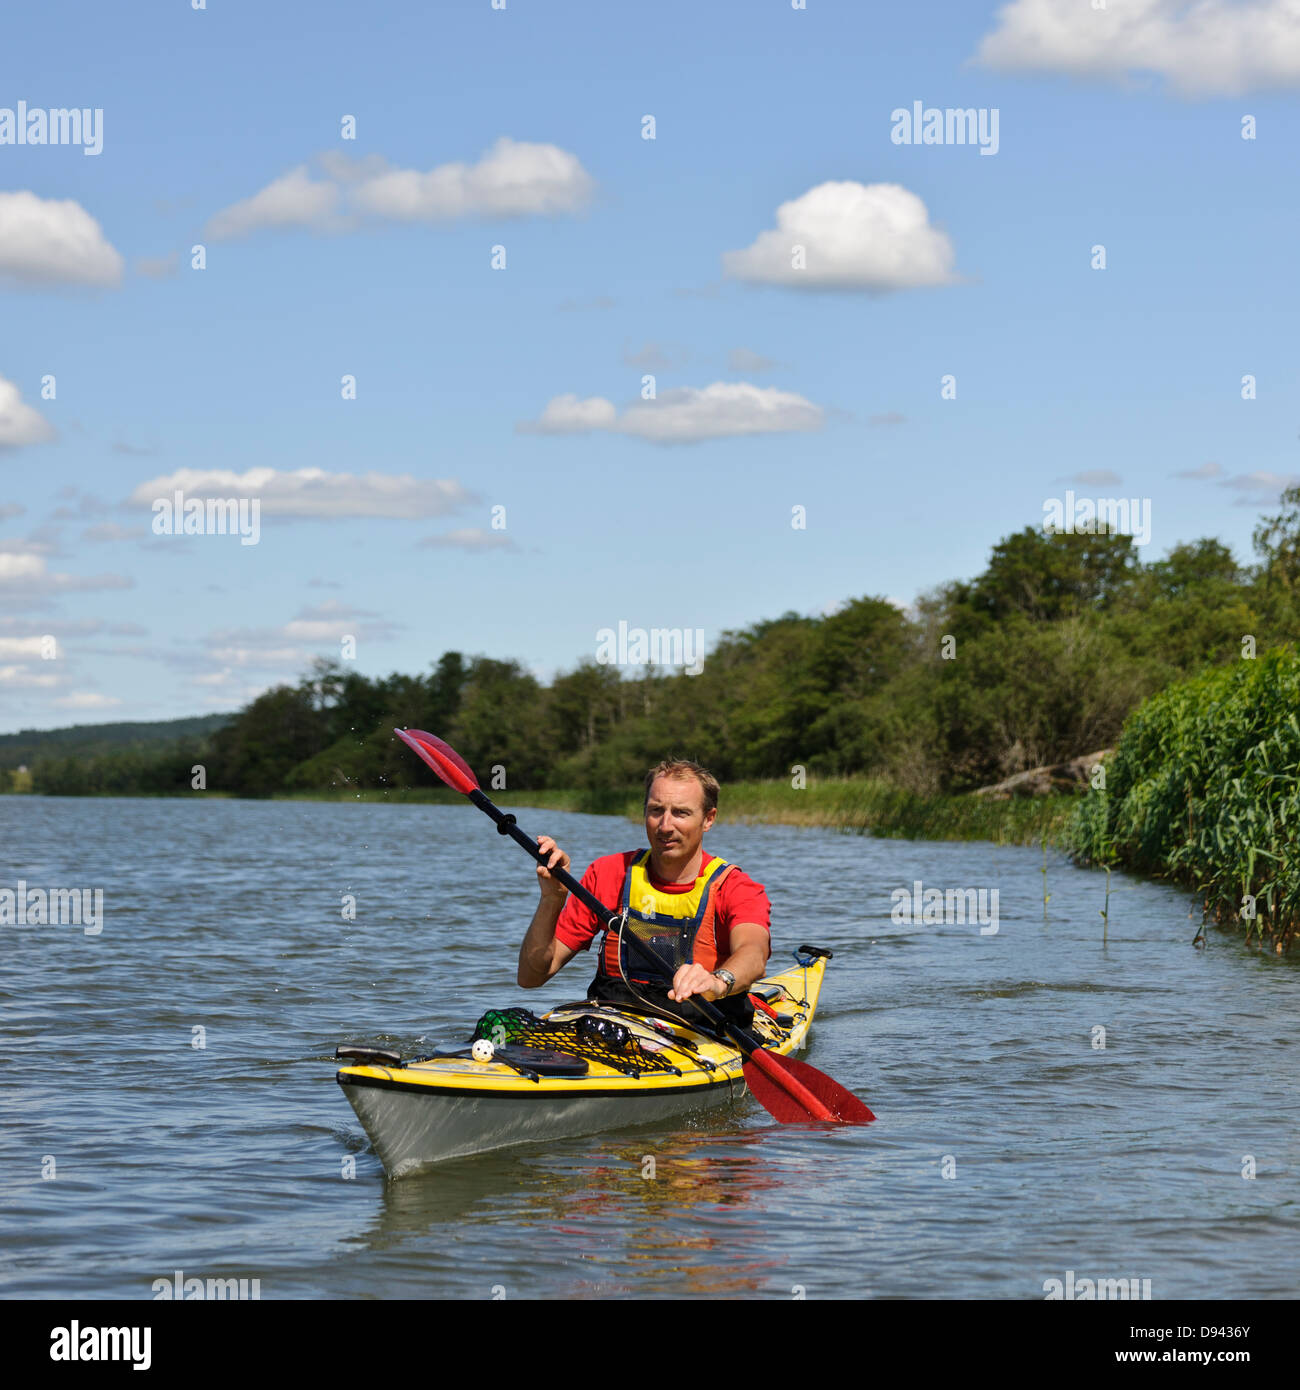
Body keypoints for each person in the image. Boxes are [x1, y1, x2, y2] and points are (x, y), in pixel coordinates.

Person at [516, 758, 771, 1027]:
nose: (665, 826)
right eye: (656, 810)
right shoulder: (608, 873)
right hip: (613, 1027)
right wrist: (552, 898)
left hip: (702, 1028)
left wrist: (719, 981)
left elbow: (753, 952)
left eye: (681, 813)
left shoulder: (735, 887)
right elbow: (531, 977)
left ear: (708, 819)